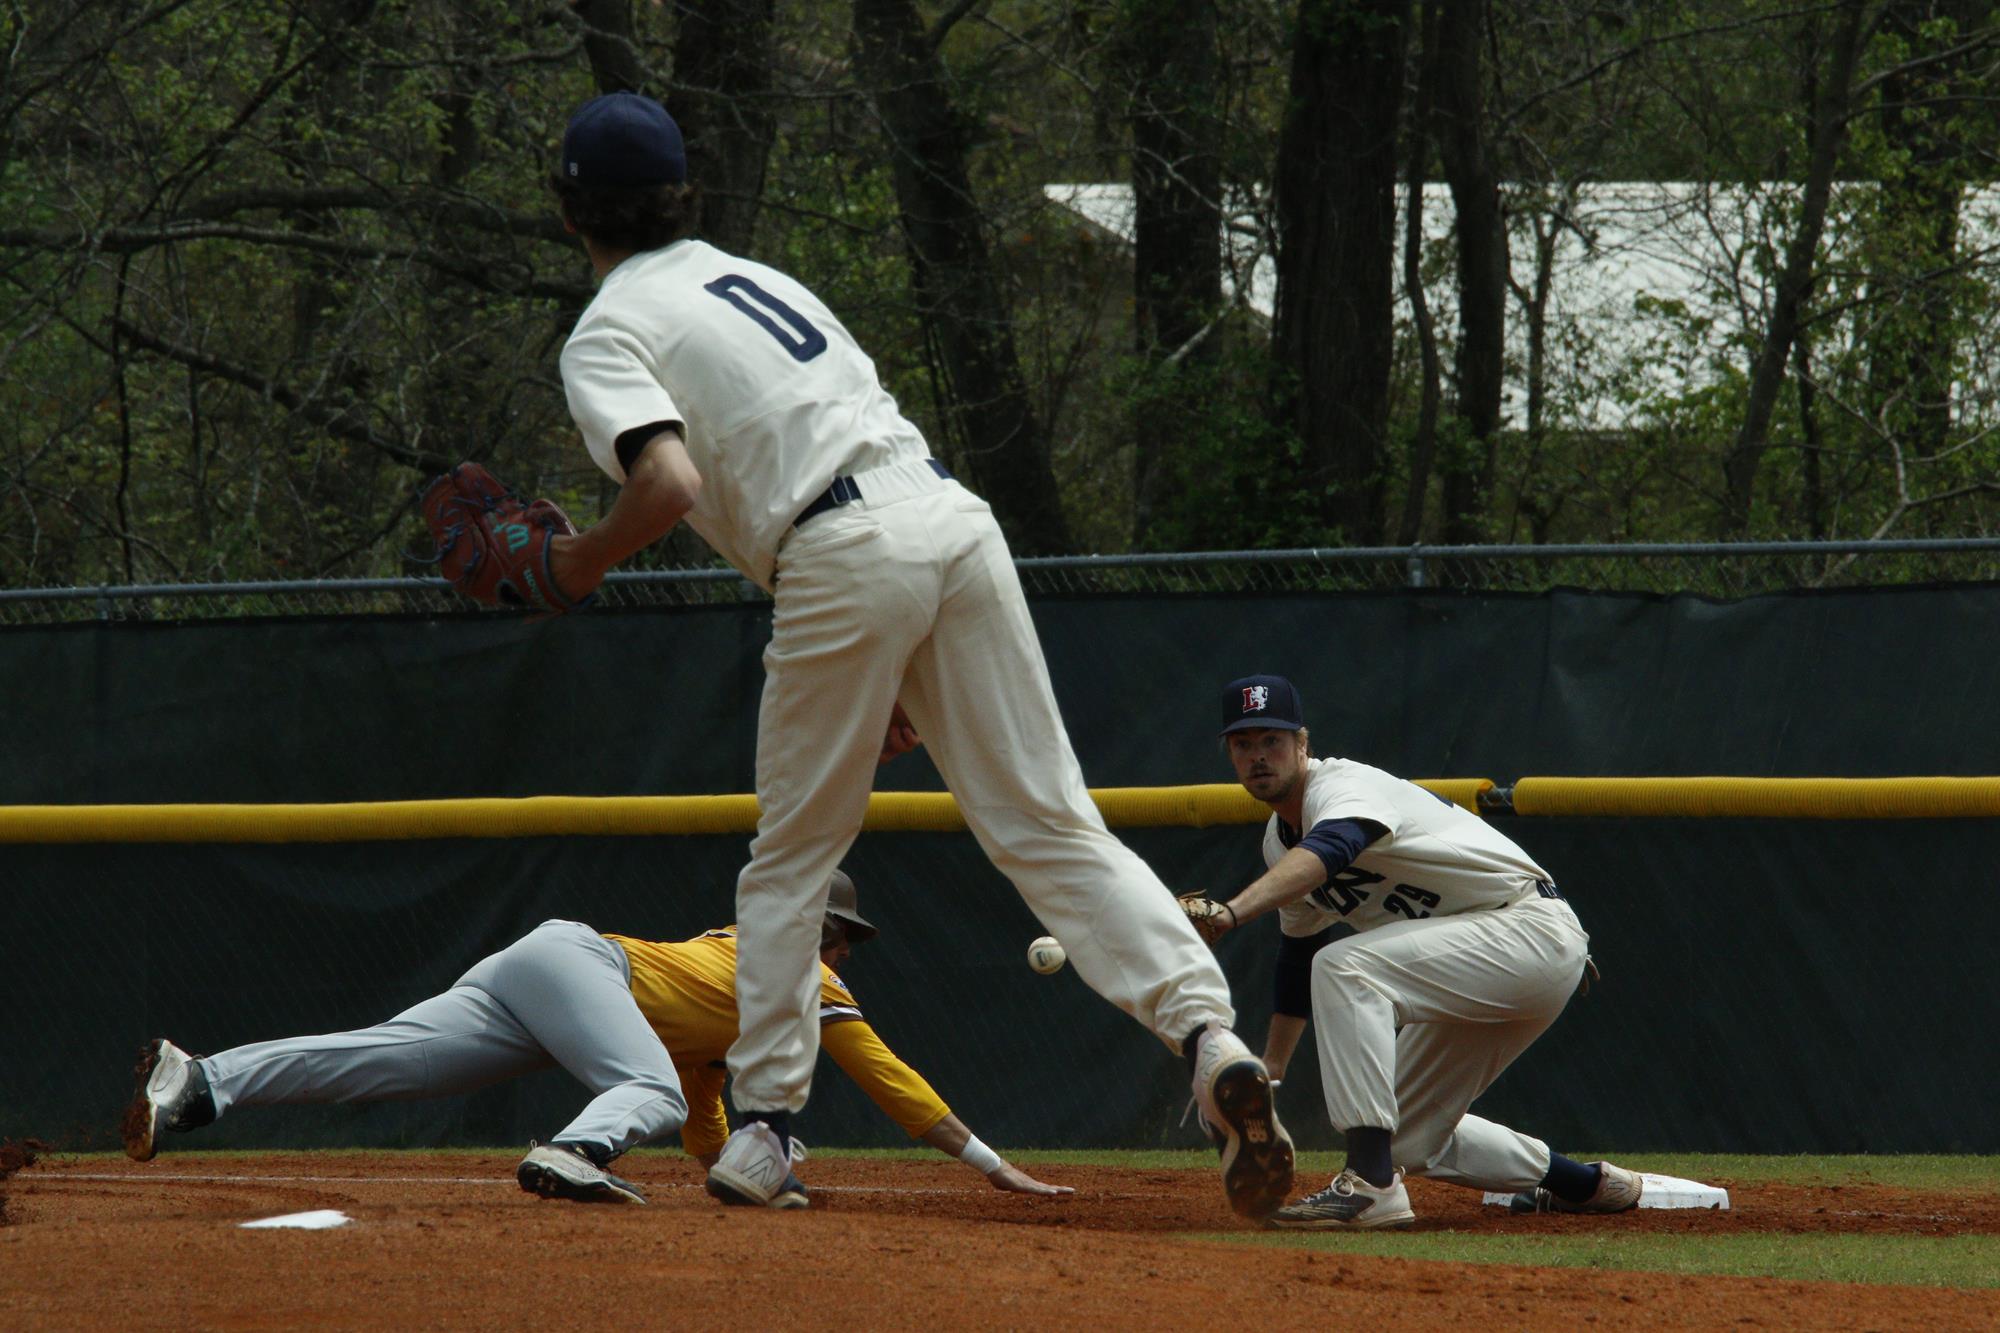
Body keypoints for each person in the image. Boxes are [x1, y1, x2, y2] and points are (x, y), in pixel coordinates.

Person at [533, 90, 1291, 1217]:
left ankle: (768, 1133)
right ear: (682, 192)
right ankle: (1208, 1035)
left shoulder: (605, 328)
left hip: (840, 551)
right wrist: (890, 662)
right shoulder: (760, 279)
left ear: (567, 212)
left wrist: (577, 563)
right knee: (1051, 823)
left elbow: (671, 485)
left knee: (789, 860)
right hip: (945, 516)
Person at [121, 871, 1070, 1204]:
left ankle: (203, 1079)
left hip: (549, 976)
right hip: (584, 970)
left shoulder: (732, 988)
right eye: (839, 935)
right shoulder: (800, 971)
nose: (842, 953)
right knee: (641, 1092)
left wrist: (755, 1179)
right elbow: (886, 1073)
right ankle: (575, 1150)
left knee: (390, 1058)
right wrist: (992, 1164)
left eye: (846, 941)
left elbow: (702, 1124)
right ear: (813, 929)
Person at [1179, 674, 1642, 1229]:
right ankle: (1584, 1185)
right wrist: (1271, 1067)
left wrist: (1231, 912)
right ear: (1228, 755)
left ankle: (1370, 1188)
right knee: (1400, 1133)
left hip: (1528, 929)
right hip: (1478, 962)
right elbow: (1296, 956)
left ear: (1302, 744)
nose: (1258, 756)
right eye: (1243, 744)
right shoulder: (1279, 845)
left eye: (1272, 740)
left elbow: (1335, 846)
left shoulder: (1342, 786)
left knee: (1347, 967)